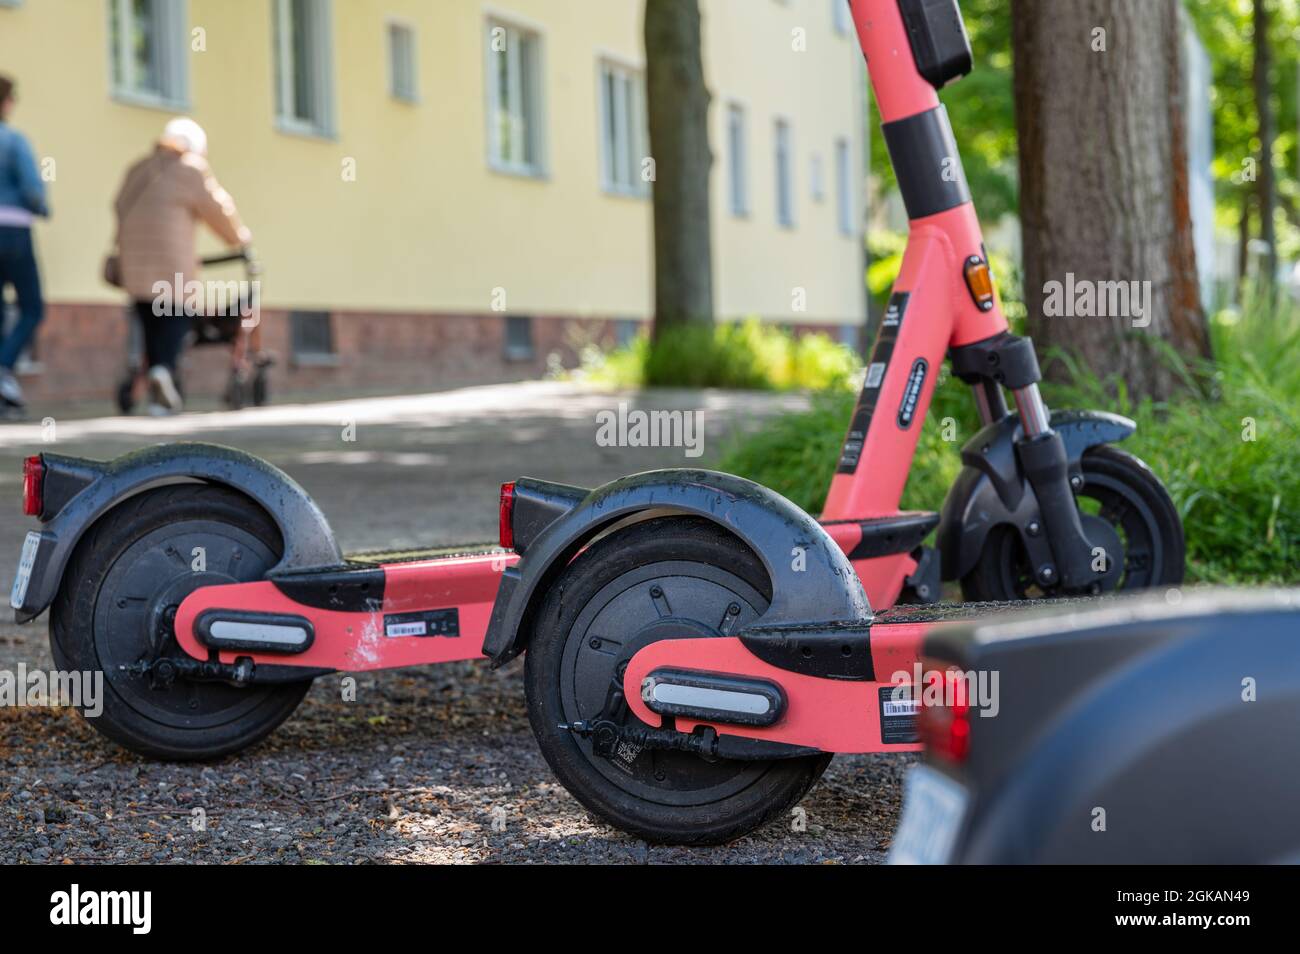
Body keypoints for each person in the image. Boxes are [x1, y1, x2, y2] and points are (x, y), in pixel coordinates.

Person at [112, 117, 250, 414]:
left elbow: (119, 204)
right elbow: (217, 207)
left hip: (135, 262)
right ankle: (163, 373)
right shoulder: (190, 169)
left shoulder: (139, 168)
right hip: (171, 263)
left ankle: (156, 379)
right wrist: (238, 238)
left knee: (150, 322)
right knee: (177, 316)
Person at [0, 74, 50, 412]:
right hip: (13, 230)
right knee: (32, 306)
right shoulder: (13, 141)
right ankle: (3, 366)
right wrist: (43, 208)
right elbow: (33, 190)